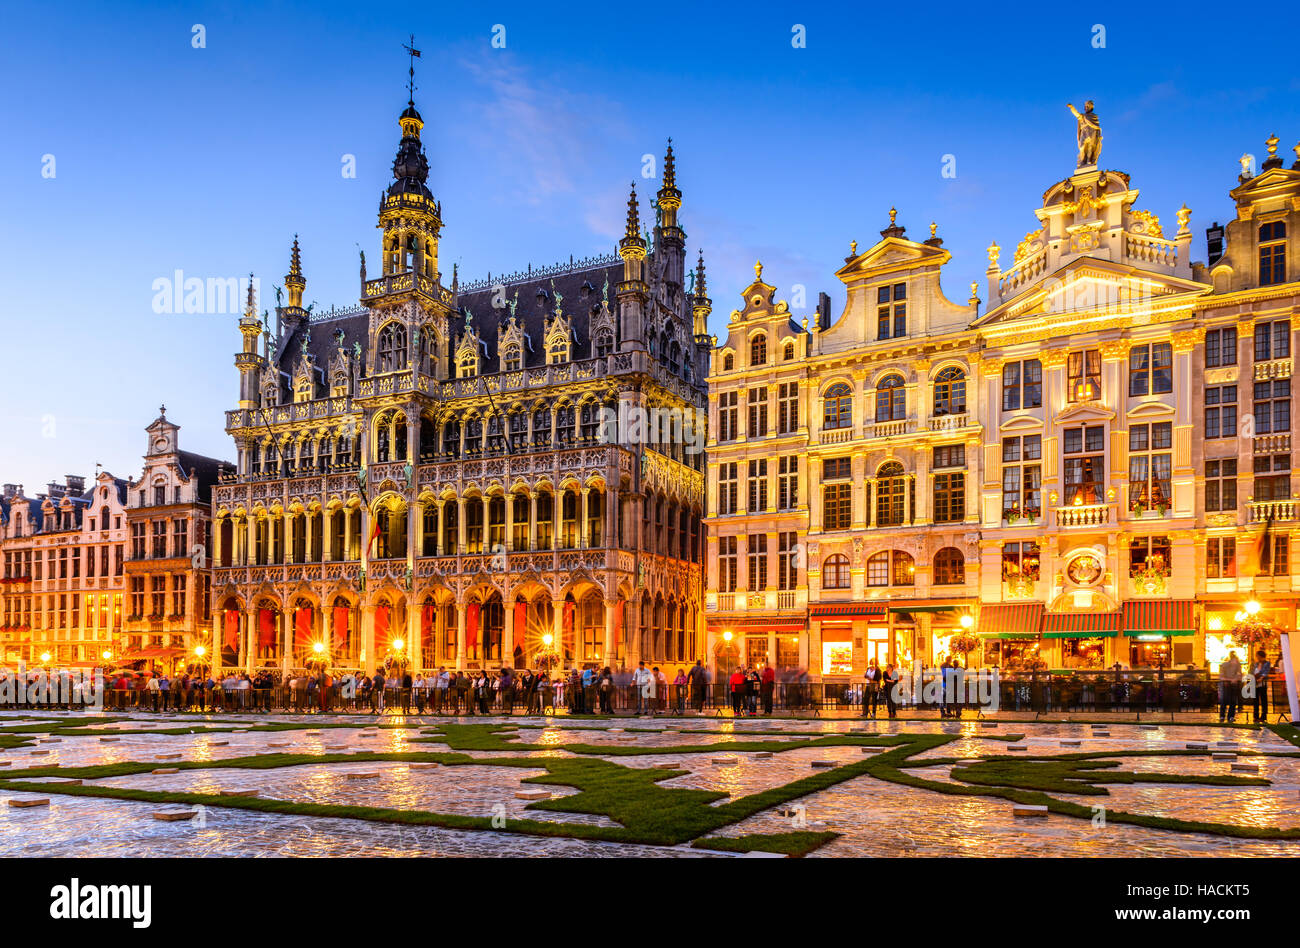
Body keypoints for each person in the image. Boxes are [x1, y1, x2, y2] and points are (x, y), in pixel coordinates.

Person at [1218, 650, 1242, 723]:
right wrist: (1230, 680)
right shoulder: (1224, 665)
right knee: (1224, 700)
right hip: (1226, 684)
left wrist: (1235, 679)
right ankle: (1222, 716)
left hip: (1233, 685)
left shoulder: (1237, 665)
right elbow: (1221, 676)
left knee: (1233, 701)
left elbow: (1239, 674)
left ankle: (1230, 716)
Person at [1250, 650, 1272, 724]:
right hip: (1255, 683)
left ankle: (1263, 716)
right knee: (1255, 700)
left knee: (1263, 700)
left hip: (1262, 683)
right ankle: (1255, 716)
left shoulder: (1267, 663)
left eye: (1257, 656)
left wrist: (1261, 678)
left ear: (1260, 656)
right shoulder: (1256, 664)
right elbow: (1253, 671)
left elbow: (1266, 672)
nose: (1256, 657)